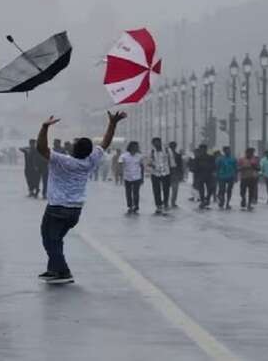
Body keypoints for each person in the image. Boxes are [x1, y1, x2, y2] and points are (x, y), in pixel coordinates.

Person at [36, 111, 125, 284]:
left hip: (57, 208)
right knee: (57, 239)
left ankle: (63, 271)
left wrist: (44, 127)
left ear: (74, 149)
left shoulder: (62, 160)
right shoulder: (90, 161)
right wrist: (112, 124)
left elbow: (41, 149)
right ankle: (53, 269)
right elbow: (105, 143)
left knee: (49, 239)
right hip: (75, 210)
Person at [147, 137, 172, 215]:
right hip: (155, 173)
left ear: (160, 142)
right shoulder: (151, 152)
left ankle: (166, 203)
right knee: (156, 190)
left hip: (166, 173)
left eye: (158, 142)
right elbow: (148, 162)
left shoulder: (167, 150)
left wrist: (173, 171)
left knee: (166, 189)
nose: (157, 144)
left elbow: (171, 160)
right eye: (155, 143)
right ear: (153, 144)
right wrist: (151, 165)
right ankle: (158, 205)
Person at [119, 142, 144, 214]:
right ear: (130, 147)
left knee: (136, 192)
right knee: (128, 192)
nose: (136, 148)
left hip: (137, 177)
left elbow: (142, 167)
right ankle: (130, 205)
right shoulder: (124, 156)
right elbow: (120, 164)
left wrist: (142, 178)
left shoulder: (139, 156)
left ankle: (136, 205)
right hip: (127, 176)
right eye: (134, 147)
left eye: (137, 147)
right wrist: (120, 173)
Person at [191, 145, 217, 209]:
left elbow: (214, 166)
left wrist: (212, 171)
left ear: (206, 149)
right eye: (202, 149)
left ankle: (207, 199)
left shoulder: (211, 157)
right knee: (201, 189)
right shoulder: (197, 158)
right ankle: (203, 201)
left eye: (204, 149)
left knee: (210, 188)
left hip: (209, 175)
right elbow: (195, 167)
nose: (203, 150)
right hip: (200, 175)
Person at [167, 141, 184, 208]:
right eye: (172, 146)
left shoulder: (178, 155)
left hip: (175, 173)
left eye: (174, 146)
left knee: (175, 189)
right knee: (166, 189)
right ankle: (166, 201)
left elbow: (180, 165)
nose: (172, 148)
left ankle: (173, 202)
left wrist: (181, 174)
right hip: (167, 173)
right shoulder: (166, 155)